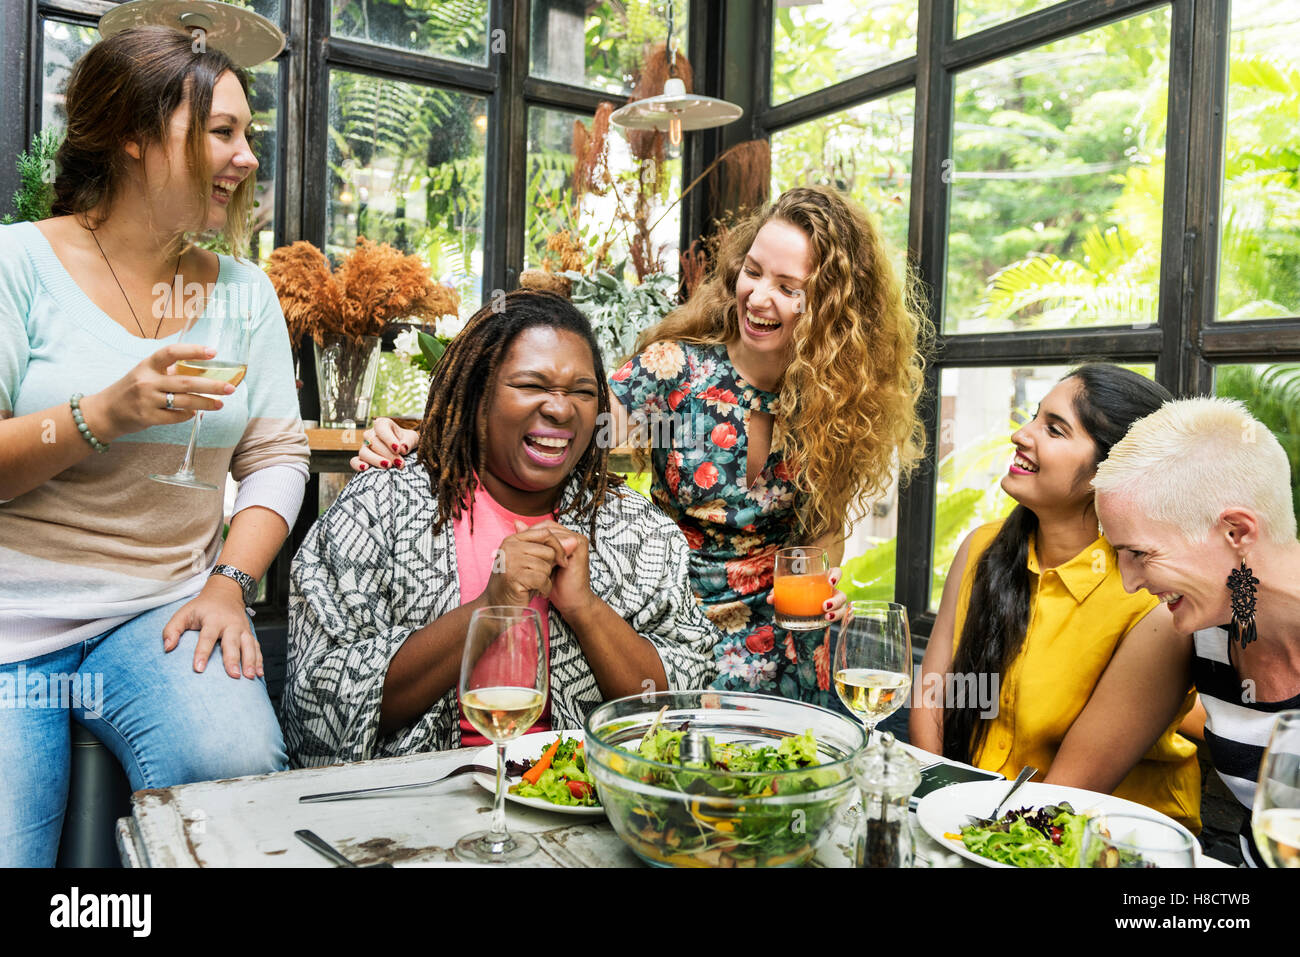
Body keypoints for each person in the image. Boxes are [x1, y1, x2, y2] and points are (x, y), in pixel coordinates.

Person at [355, 186, 921, 708]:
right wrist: (425, 438)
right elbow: (560, 427)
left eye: (788, 288)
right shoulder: (674, 370)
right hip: (680, 646)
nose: (758, 297)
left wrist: (826, 597)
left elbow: (821, 546)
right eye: (752, 272)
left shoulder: (842, 405)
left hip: (796, 654)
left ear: (833, 308)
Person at [0, 27, 308, 866]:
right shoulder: (18, 264)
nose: (246, 157)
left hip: (159, 610)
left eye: (249, 135)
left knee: (236, 787)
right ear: (134, 135)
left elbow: (277, 459)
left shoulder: (245, 293)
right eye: (221, 133)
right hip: (9, 623)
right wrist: (104, 411)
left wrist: (229, 583)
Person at [283, 291, 719, 766]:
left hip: (574, 802)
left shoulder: (637, 532)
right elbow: (316, 710)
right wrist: (493, 605)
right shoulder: (380, 509)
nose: (560, 408)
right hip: (415, 803)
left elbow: (682, 706)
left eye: (581, 391)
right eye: (532, 384)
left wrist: (586, 610)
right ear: (477, 394)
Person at [911, 365, 1202, 833]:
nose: (1020, 435)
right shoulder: (983, 550)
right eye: (1033, 417)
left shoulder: (1154, 602)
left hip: (1100, 846)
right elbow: (936, 695)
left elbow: (1067, 795)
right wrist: (932, 802)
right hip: (967, 815)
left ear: (1113, 470)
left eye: (1054, 428)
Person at [1093, 396, 1300, 865]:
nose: (1129, 584)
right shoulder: (1197, 626)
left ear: (1237, 532)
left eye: (1140, 554)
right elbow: (1074, 787)